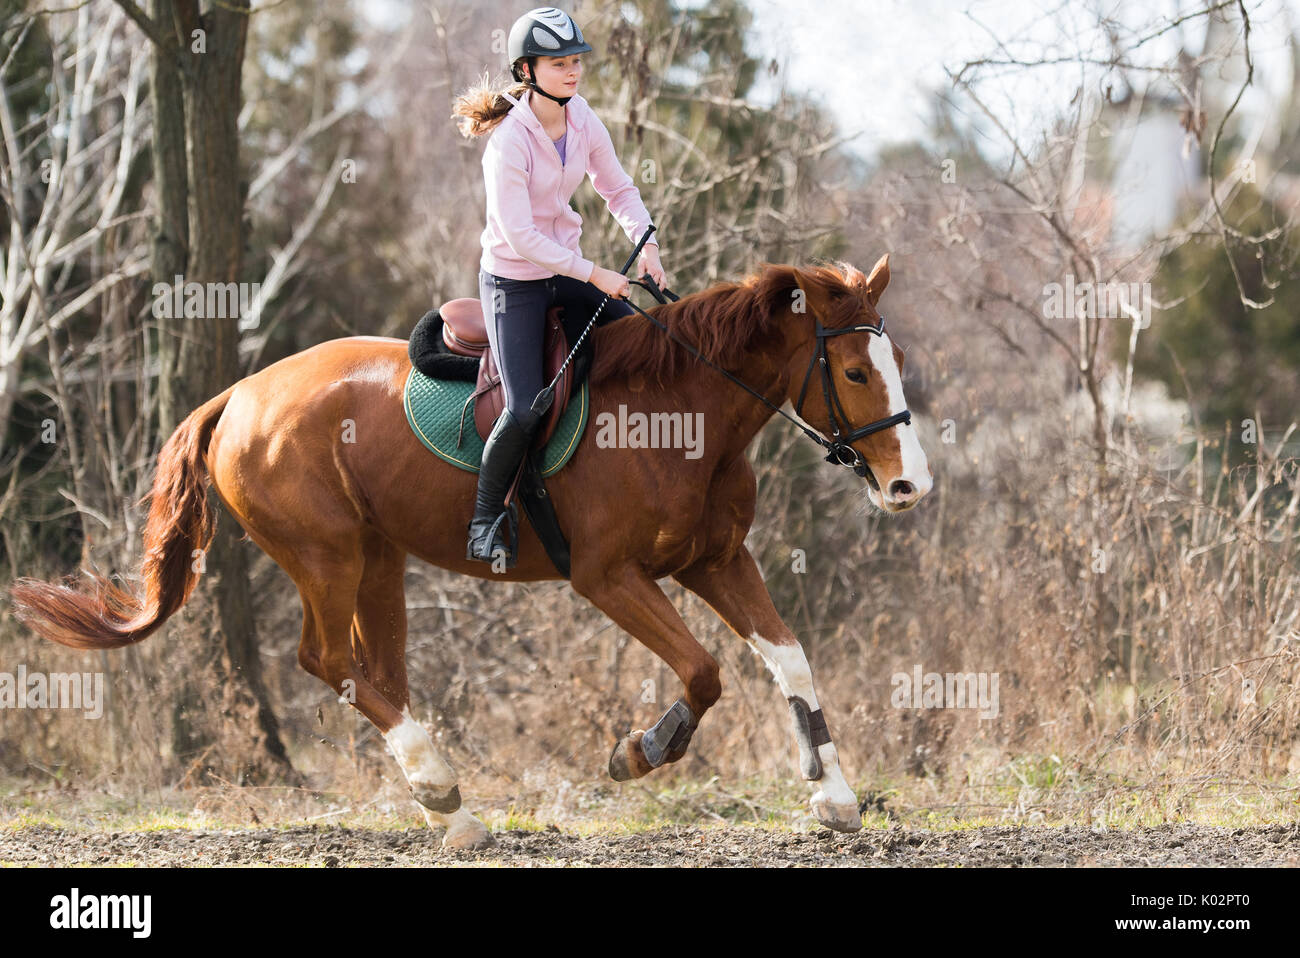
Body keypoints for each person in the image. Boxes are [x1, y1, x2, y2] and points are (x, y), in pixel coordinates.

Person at [452, 6, 667, 567]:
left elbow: (618, 189)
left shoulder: (583, 118)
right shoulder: (508, 144)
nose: (573, 72)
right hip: (514, 282)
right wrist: (596, 273)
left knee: (649, 346)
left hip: (565, 271)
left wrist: (648, 246)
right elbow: (521, 238)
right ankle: (483, 518)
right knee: (525, 407)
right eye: (559, 63)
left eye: (576, 61)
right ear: (527, 71)